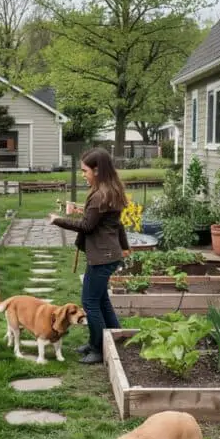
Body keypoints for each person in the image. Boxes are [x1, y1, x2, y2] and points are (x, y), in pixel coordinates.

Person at [49, 148, 129, 364]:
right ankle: (113, 339)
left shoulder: (101, 195)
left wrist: (58, 220)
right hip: (107, 254)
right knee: (101, 300)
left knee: (90, 302)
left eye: (85, 171)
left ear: (97, 170)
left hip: (102, 257)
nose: (83, 174)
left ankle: (99, 348)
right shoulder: (110, 190)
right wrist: (124, 246)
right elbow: (116, 224)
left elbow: (86, 225)